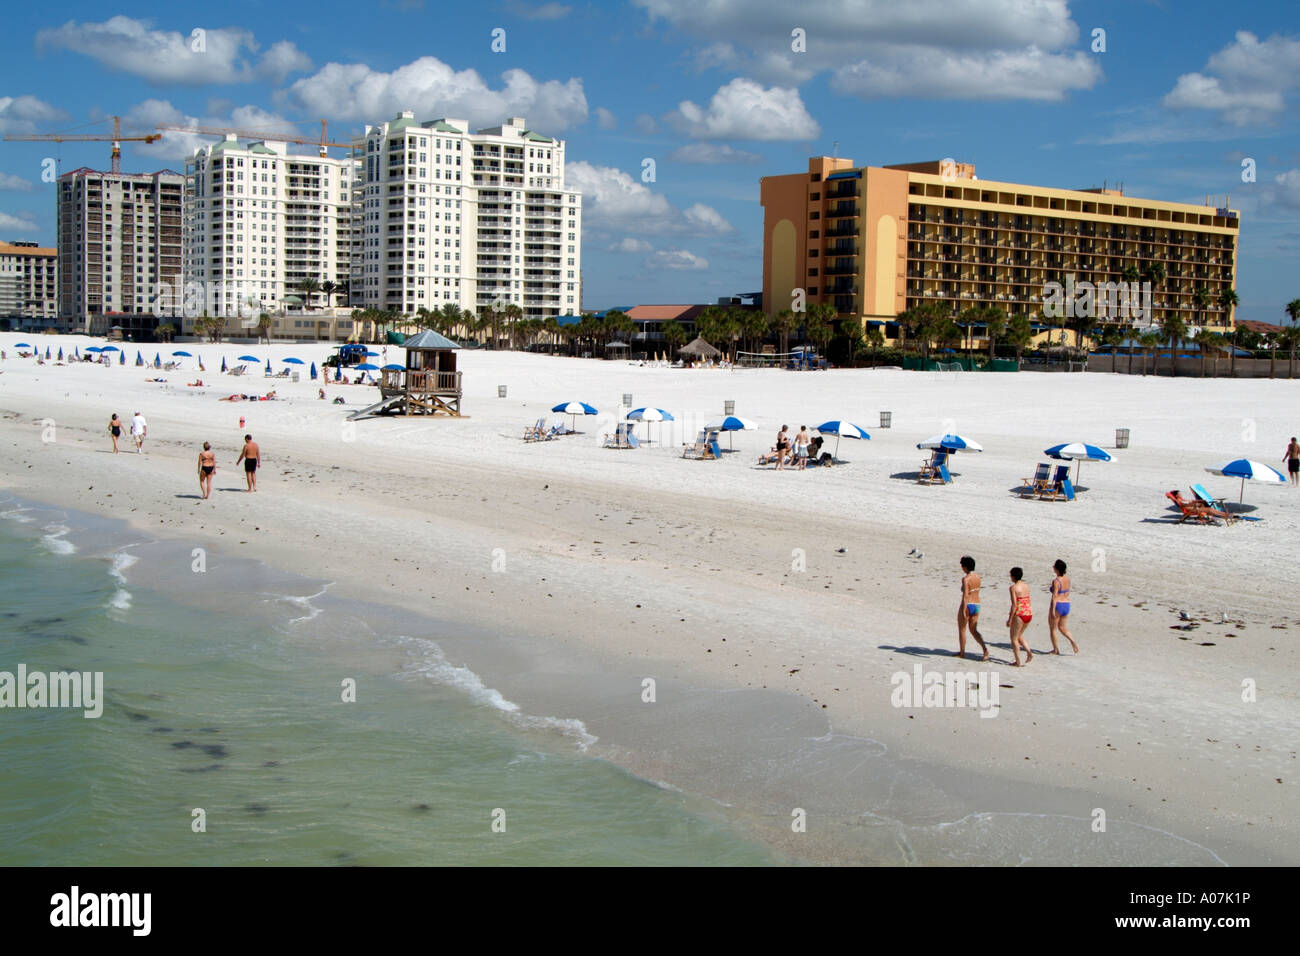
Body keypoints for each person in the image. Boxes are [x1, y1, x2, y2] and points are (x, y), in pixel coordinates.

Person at [957, 556, 988, 660]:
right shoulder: (978, 577)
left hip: (968, 604)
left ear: (965, 567)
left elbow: (965, 595)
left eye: (962, 566)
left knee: (962, 629)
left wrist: (963, 609)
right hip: (977, 604)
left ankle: (962, 653)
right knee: (974, 630)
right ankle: (985, 649)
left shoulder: (966, 579)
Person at [1048, 559, 1078, 655]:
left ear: (1056, 569)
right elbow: (1067, 592)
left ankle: (1055, 649)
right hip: (1066, 604)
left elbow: (1054, 596)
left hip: (1058, 605)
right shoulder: (1067, 579)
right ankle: (1072, 640)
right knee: (1062, 627)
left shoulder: (1056, 581)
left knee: (1053, 628)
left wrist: (1052, 610)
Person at [1006, 567, 1034, 667]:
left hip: (1020, 613)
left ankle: (1017, 661)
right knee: (1018, 635)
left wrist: (1010, 618)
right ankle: (1029, 652)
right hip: (1028, 612)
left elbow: (1014, 605)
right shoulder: (1026, 586)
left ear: (1013, 576)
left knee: (1013, 638)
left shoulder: (1013, 588)